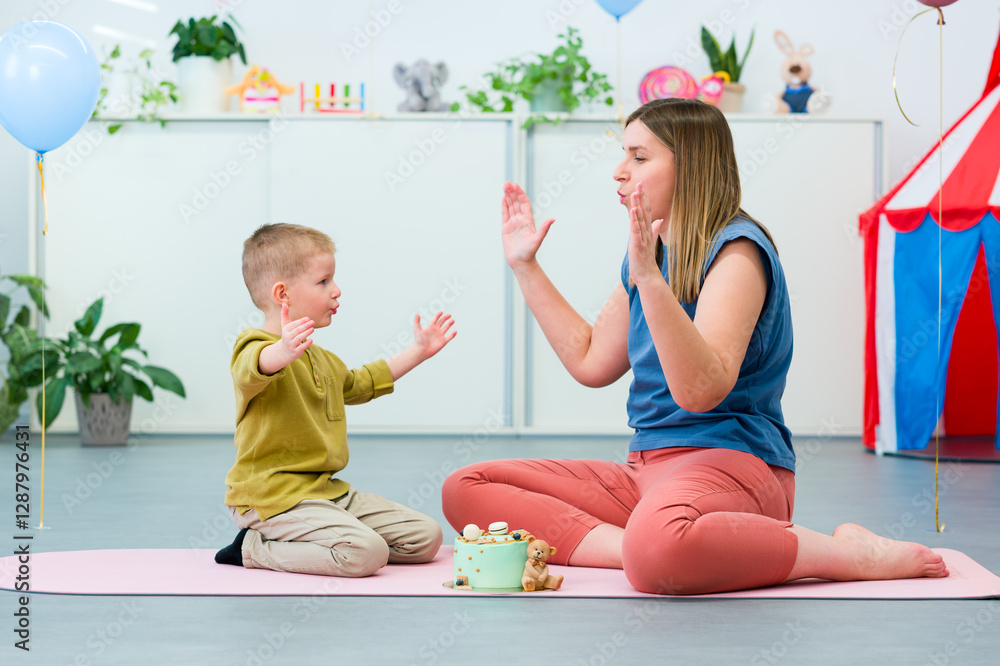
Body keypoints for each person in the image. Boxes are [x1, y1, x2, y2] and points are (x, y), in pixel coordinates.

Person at [441, 98, 948, 595]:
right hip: (646, 474)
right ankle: (647, 546)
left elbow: (700, 392)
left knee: (657, 545)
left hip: (735, 466)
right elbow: (591, 361)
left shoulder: (738, 252)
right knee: (467, 487)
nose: (619, 171)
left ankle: (847, 554)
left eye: (639, 157)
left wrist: (648, 279)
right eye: (624, 155)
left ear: (692, 165)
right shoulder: (651, 254)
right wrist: (526, 267)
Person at [215, 223, 454, 577]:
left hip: (325, 493)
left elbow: (359, 384)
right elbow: (254, 369)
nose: (336, 290)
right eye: (324, 281)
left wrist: (418, 352)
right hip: (272, 498)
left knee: (426, 538)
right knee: (365, 553)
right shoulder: (253, 347)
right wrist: (281, 350)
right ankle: (251, 547)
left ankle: (333, 535)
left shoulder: (320, 358)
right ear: (283, 294)